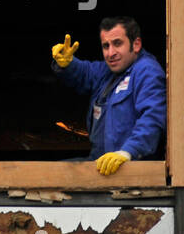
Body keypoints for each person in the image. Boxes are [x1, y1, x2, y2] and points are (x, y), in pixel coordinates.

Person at [50, 16, 166, 175]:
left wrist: (128, 152)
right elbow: (86, 73)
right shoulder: (110, 70)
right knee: (54, 173)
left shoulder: (147, 72)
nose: (111, 53)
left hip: (132, 171)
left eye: (117, 43)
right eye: (106, 46)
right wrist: (68, 64)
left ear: (136, 44)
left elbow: (152, 118)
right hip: (100, 164)